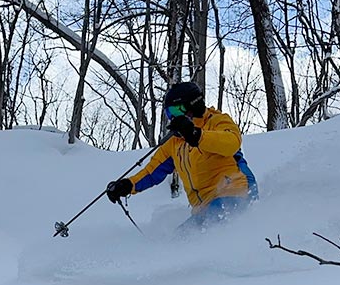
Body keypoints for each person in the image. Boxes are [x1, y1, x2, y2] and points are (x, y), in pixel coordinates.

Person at [105, 81, 258, 228]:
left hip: (235, 192)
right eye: (169, 113)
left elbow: (232, 143)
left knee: (200, 233)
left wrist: (196, 135)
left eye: (176, 111)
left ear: (193, 105)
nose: (173, 117)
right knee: (180, 238)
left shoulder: (217, 121)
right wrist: (128, 185)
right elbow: (152, 172)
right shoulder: (175, 143)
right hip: (204, 208)